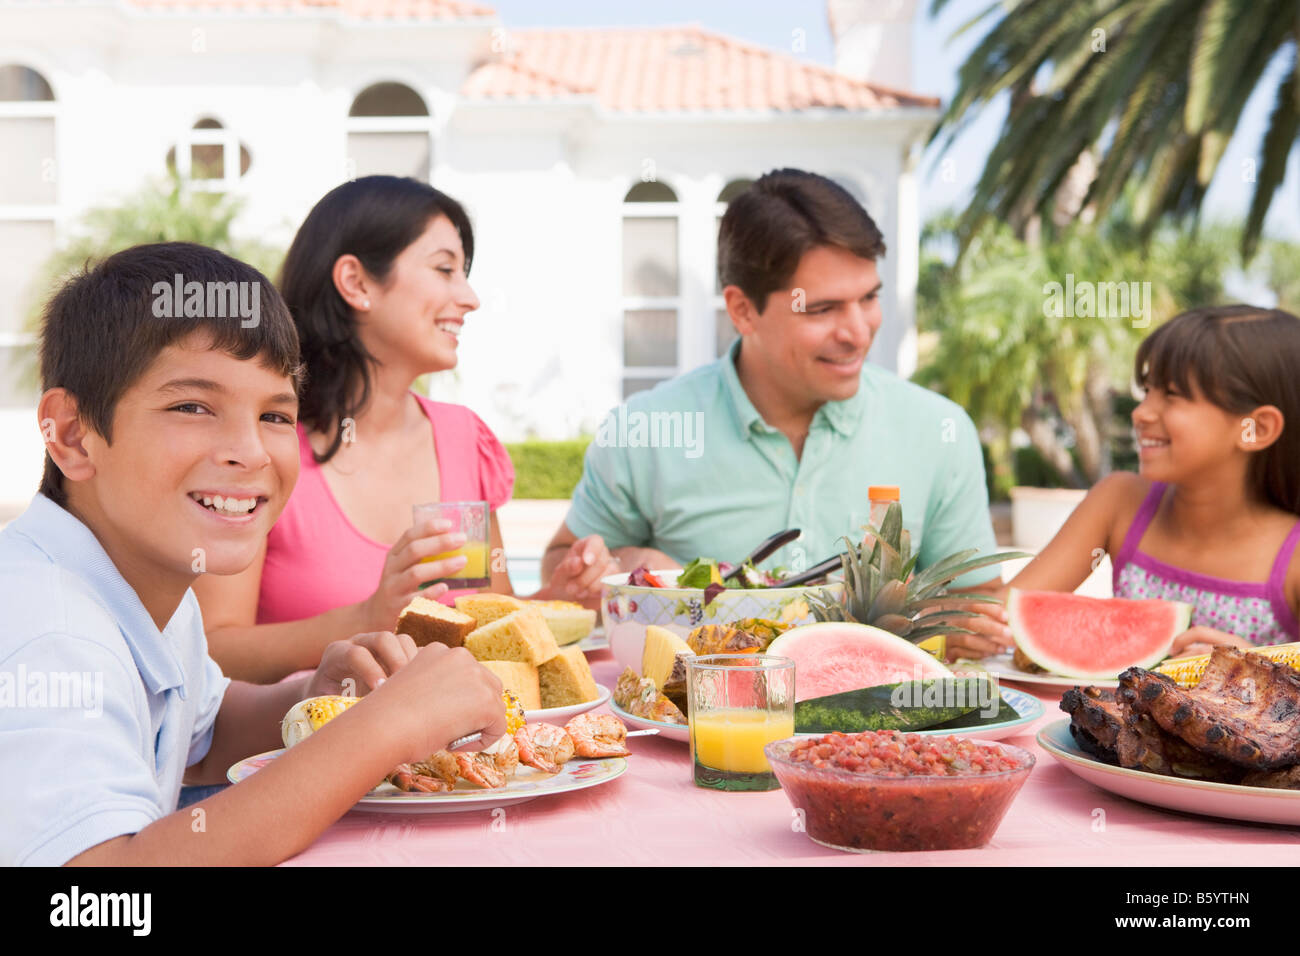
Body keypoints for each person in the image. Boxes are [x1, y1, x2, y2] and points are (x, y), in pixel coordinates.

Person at [0, 243, 505, 865]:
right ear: (74, 435)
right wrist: (383, 731)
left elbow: (204, 734)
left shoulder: (149, 587)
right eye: (192, 406)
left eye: (274, 414)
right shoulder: (52, 631)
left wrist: (316, 696)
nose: (251, 451)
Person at [544, 168, 1011, 659]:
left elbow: (978, 607)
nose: (858, 331)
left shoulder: (939, 431)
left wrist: (938, 623)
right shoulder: (644, 431)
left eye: (869, 298)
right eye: (823, 309)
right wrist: (623, 565)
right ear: (743, 310)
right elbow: (562, 567)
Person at [195, 177, 616, 683]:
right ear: (356, 282)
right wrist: (365, 620)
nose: (470, 297)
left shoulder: (465, 441)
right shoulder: (260, 448)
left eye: (465, 273)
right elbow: (213, 649)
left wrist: (559, 599)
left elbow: (492, 623)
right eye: (444, 269)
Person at [1006, 305, 1300, 655]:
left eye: (1172, 395)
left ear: (1256, 429)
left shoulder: (1293, 558)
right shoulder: (1119, 502)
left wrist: (1258, 669)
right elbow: (1004, 614)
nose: (1140, 412)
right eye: (1147, 390)